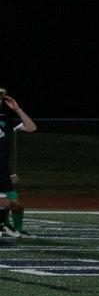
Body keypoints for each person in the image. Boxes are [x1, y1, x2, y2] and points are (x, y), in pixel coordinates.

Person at [0, 89, 38, 238]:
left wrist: (18, 110)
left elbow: (31, 128)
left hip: (2, 170)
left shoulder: (5, 119)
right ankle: (5, 226)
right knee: (5, 202)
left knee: (9, 203)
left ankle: (8, 227)